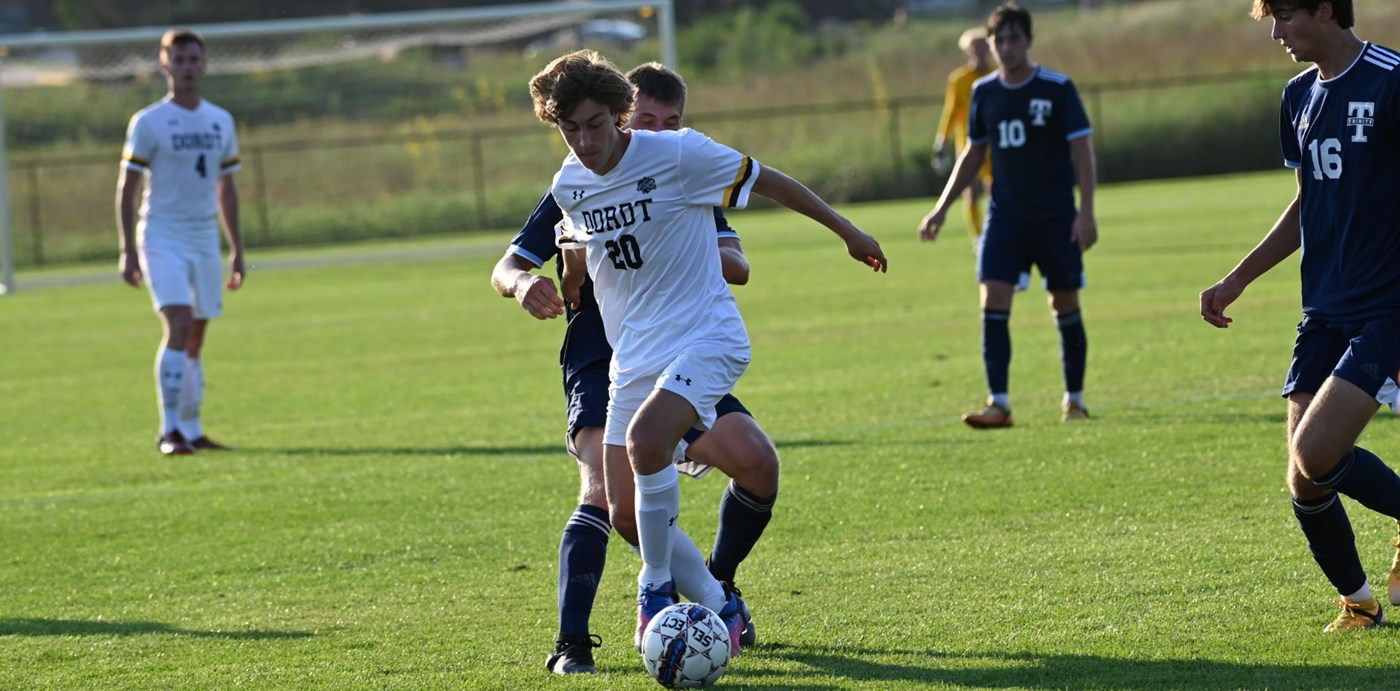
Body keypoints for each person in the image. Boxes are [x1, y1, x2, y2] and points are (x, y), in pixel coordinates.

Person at [531, 49, 885, 665]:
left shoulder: (677, 153)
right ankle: (719, 606)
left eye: (594, 124)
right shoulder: (569, 185)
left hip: (706, 337)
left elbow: (768, 179)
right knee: (623, 513)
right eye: (570, 129)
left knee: (647, 442)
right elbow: (589, 259)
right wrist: (568, 269)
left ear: (618, 114)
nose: (584, 140)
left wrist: (847, 231)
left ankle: (655, 591)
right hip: (632, 361)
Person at [491, 62, 779, 675]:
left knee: (757, 462)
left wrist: (675, 233)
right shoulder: (574, 182)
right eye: (648, 120)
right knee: (605, 487)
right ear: (627, 115)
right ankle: (574, 643)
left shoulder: (679, 169)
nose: (659, 131)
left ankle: (712, 593)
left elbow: (736, 262)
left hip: (680, 345)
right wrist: (535, 282)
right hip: (606, 355)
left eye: (672, 123)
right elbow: (513, 266)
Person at [1200, 0, 1400, 632]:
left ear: (1323, 9)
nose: (1277, 33)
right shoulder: (1296, 97)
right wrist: (1237, 278)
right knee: (1304, 481)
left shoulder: (1392, 79)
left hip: (1387, 306)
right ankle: (1361, 603)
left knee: (1317, 453)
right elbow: (1306, 205)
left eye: (1284, 17)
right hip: (1323, 309)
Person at [916, 2, 1098, 429]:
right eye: (1000, 39)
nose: (1007, 46)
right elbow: (973, 153)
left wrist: (1086, 212)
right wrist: (941, 208)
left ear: (1029, 41)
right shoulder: (984, 93)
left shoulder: (1056, 88)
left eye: (1015, 38)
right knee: (992, 299)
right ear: (992, 44)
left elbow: (1083, 151)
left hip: (1055, 217)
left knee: (1064, 302)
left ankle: (1075, 399)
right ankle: (999, 403)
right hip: (1005, 217)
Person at [117, 28, 244, 456]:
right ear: (165, 64)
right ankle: (168, 429)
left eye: (194, 59)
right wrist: (127, 250)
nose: (188, 67)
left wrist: (237, 248)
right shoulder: (148, 121)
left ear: (204, 64)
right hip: (161, 233)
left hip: (204, 236)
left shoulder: (220, 119)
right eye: (180, 59)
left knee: (198, 333)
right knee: (179, 324)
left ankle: (192, 428)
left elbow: (227, 187)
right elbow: (127, 188)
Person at [933, 27, 995, 242]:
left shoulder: (998, 73)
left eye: (982, 45)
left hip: (996, 141)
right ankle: (978, 239)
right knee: (970, 191)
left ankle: (997, 232)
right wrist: (942, 138)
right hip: (969, 142)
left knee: (996, 189)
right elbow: (952, 111)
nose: (978, 50)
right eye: (973, 46)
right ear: (967, 50)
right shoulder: (959, 79)